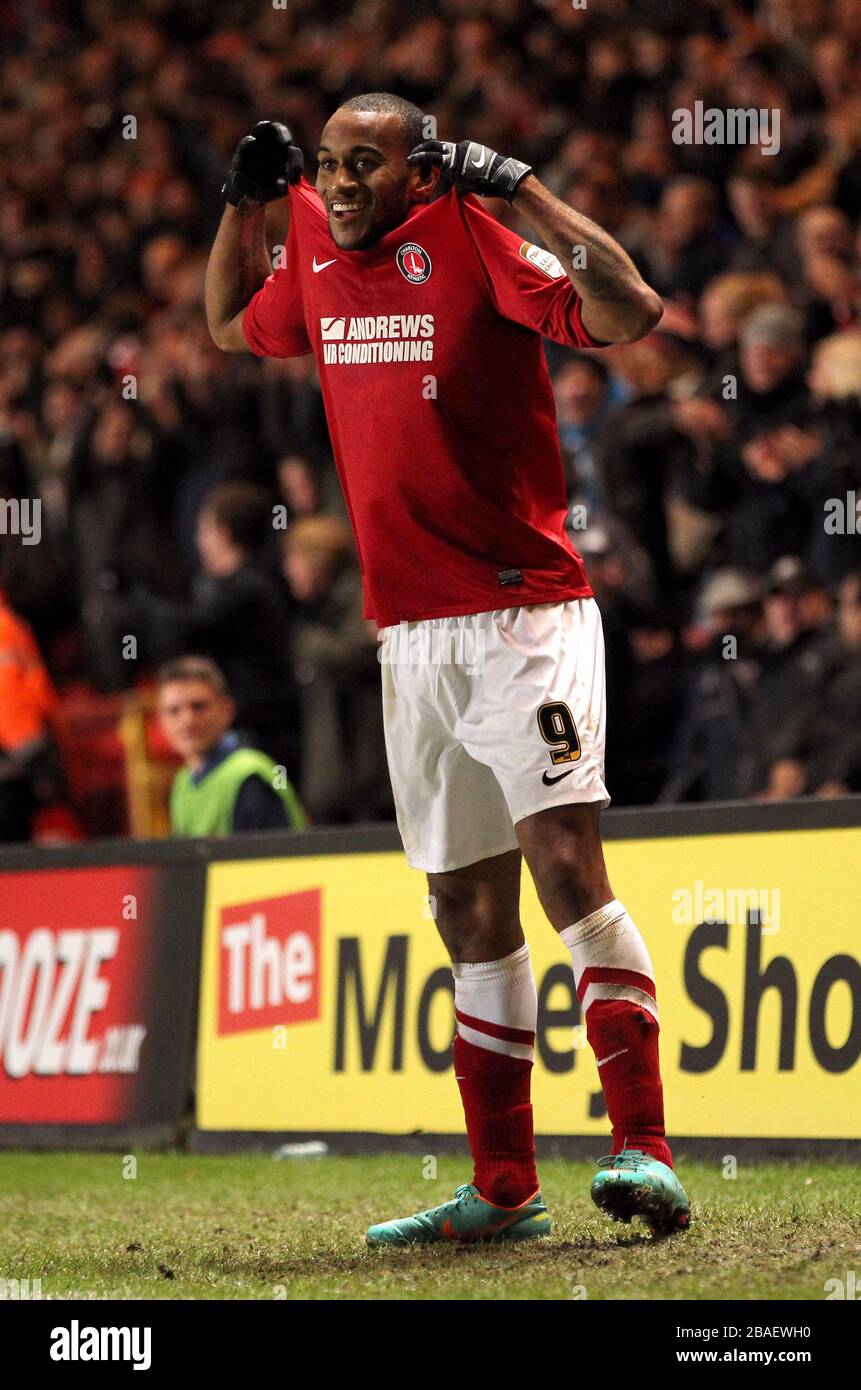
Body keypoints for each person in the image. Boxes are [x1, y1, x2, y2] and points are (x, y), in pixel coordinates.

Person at [206, 95, 690, 1244]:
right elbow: (228, 323)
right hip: (409, 633)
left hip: (526, 614)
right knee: (465, 905)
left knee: (566, 864)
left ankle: (646, 1149)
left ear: (423, 171)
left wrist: (516, 185)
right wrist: (244, 205)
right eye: (326, 166)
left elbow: (629, 310)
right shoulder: (314, 243)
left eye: (364, 163)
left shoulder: (473, 231)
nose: (340, 184)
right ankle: (505, 1187)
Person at [157, 655, 306, 836]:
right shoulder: (184, 782)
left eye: (198, 707)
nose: (187, 721)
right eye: (174, 711)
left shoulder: (250, 776)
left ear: (226, 710)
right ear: (161, 721)